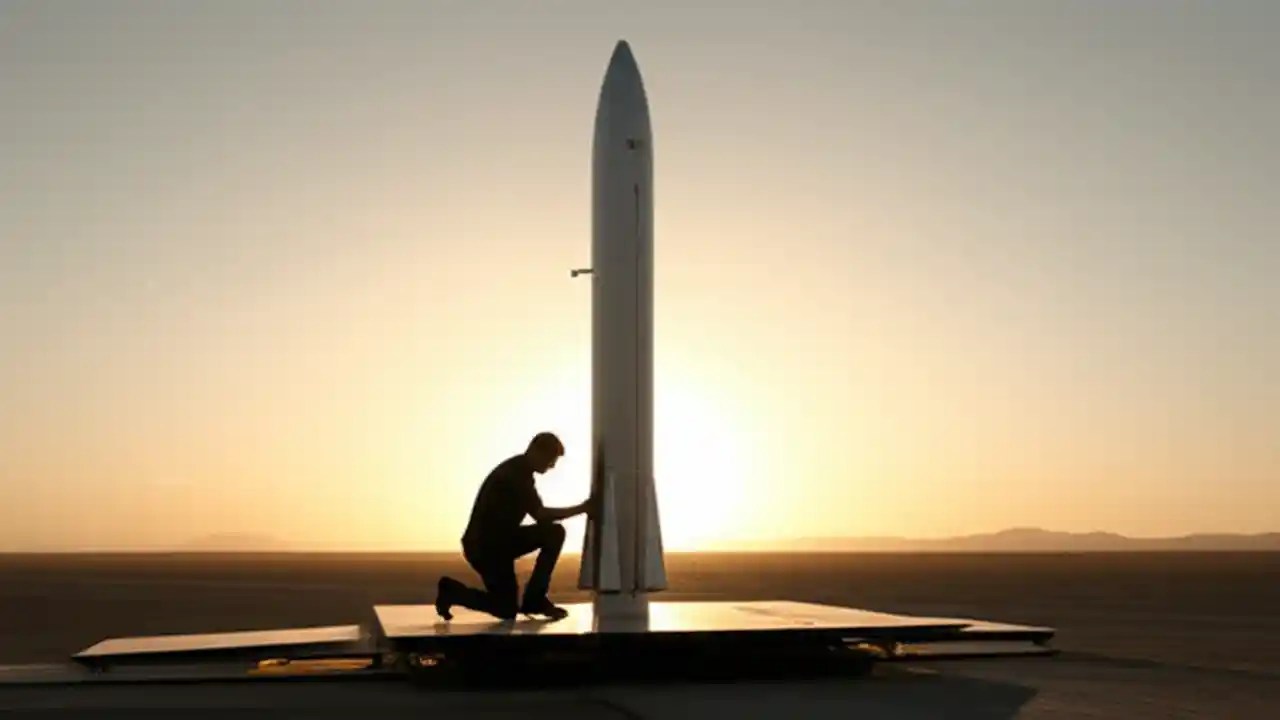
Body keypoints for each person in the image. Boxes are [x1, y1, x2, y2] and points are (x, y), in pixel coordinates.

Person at [435, 432, 594, 621]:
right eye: (551, 460)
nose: (552, 466)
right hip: (485, 548)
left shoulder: (520, 471)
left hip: (500, 543)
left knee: (554, 533)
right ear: (537, 452)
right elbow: (540, 515)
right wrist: (583, 508)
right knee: (505, 609)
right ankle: (453, 592)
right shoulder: (515, 474)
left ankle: (534, 598)